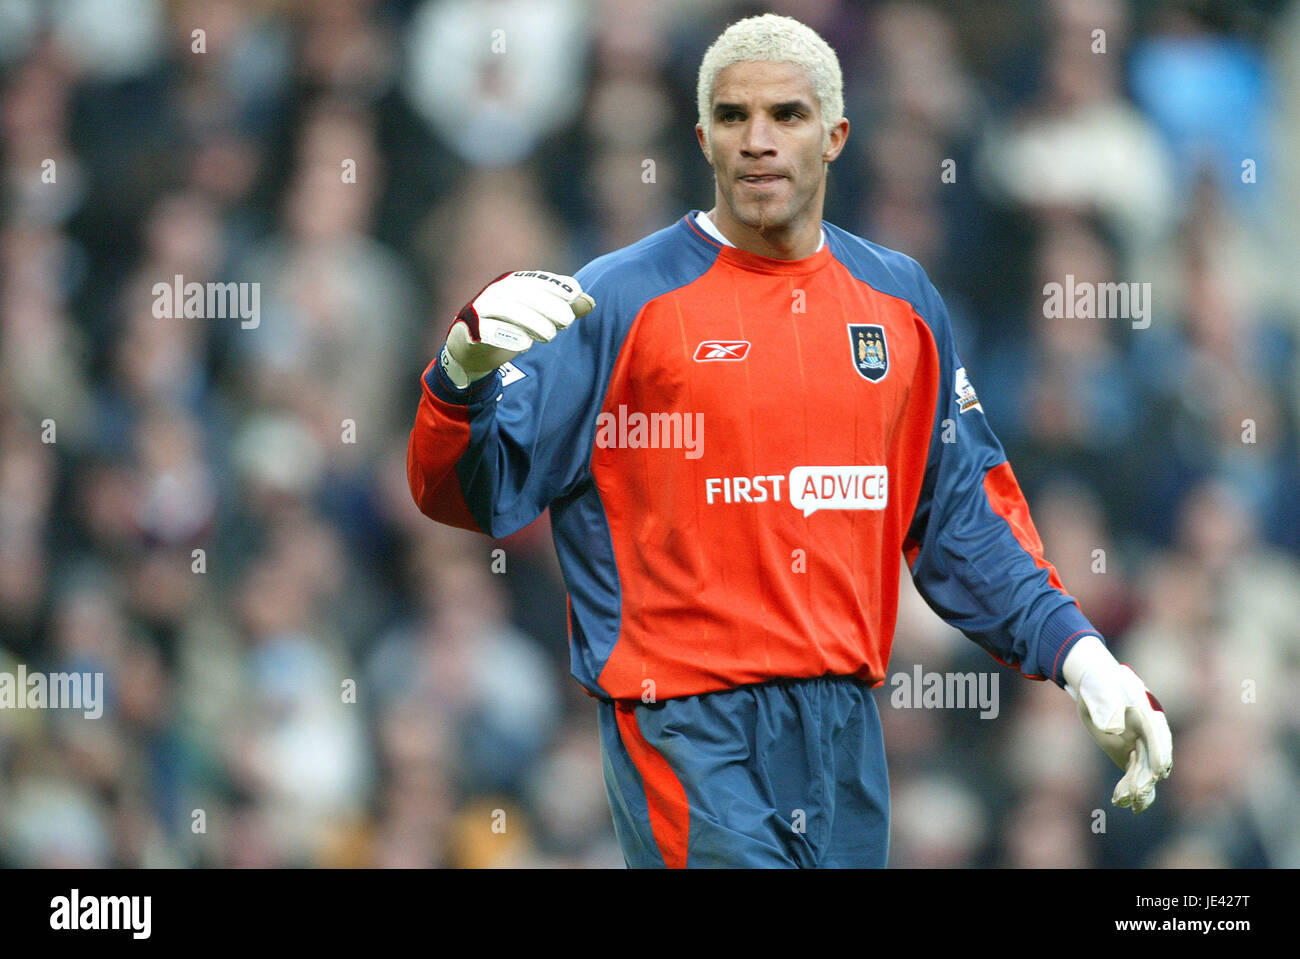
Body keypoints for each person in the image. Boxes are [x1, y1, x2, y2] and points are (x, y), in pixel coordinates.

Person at [406, 13, 1172, 868]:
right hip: (686, 727)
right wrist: (460, 379)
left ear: (837, 134)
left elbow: (963, 519)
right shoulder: (616, 301)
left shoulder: (901, 302)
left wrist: (1081, 653)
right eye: (733, 117)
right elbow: (469, 493)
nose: (758, 140)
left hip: (844, 734)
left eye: (788, 115)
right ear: (702, 137)